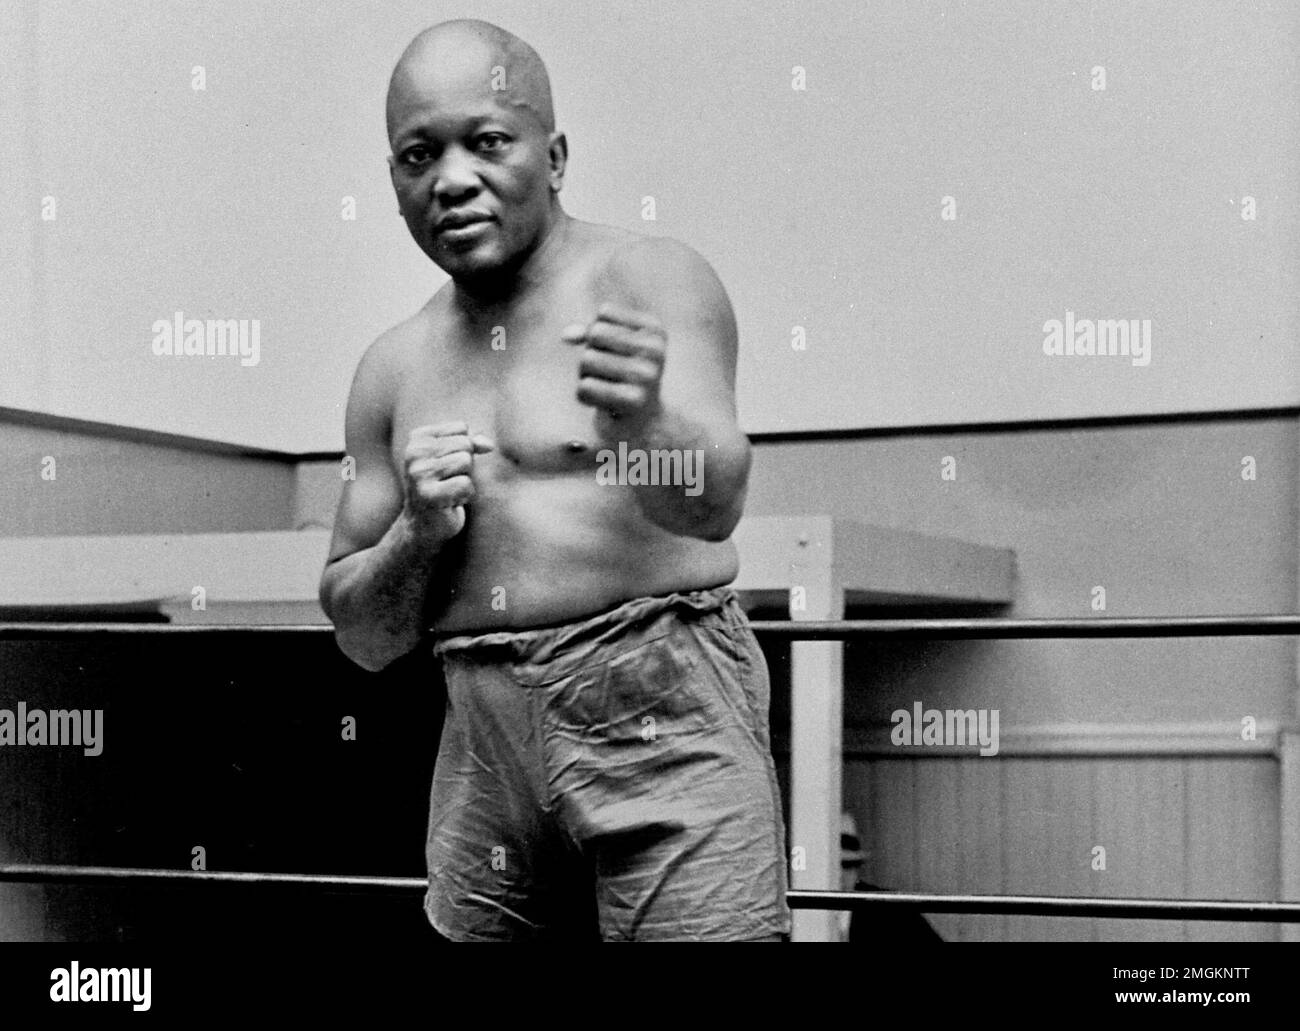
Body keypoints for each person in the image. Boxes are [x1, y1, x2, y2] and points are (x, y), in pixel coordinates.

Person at [319, 18, 790, 942]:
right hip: (482, 733)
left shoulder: (651, 279)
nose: (452, 178)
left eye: (487, 140)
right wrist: (417, 530)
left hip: (661, 703)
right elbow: (362, 636)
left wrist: (644, 423)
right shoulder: (392, 366)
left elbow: (717, 503)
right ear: (395, 183)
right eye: (420, 155)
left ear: (555, 154)